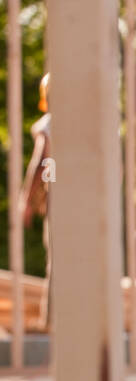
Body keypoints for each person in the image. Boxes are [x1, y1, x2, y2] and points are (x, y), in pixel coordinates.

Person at [19, 72, 53, 330]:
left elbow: (40, 162)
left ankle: (52, 323)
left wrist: (26, 200)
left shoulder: (49, 124)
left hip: (61, 199)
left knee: (58, 260)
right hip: (89, 204)